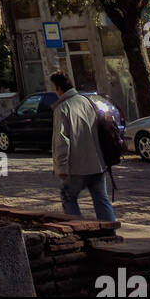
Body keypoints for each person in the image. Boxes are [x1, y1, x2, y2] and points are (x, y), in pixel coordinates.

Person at [50, 69, 115, 224]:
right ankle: (110, 230)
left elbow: (61, 141)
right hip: (98, 163)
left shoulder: (62, 108)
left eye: (54, 88)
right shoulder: (87, 101)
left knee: (68, 197)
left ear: (59, 88)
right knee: (101, 199)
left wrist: (61, 168)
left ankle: (79, 230)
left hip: (77, 167)